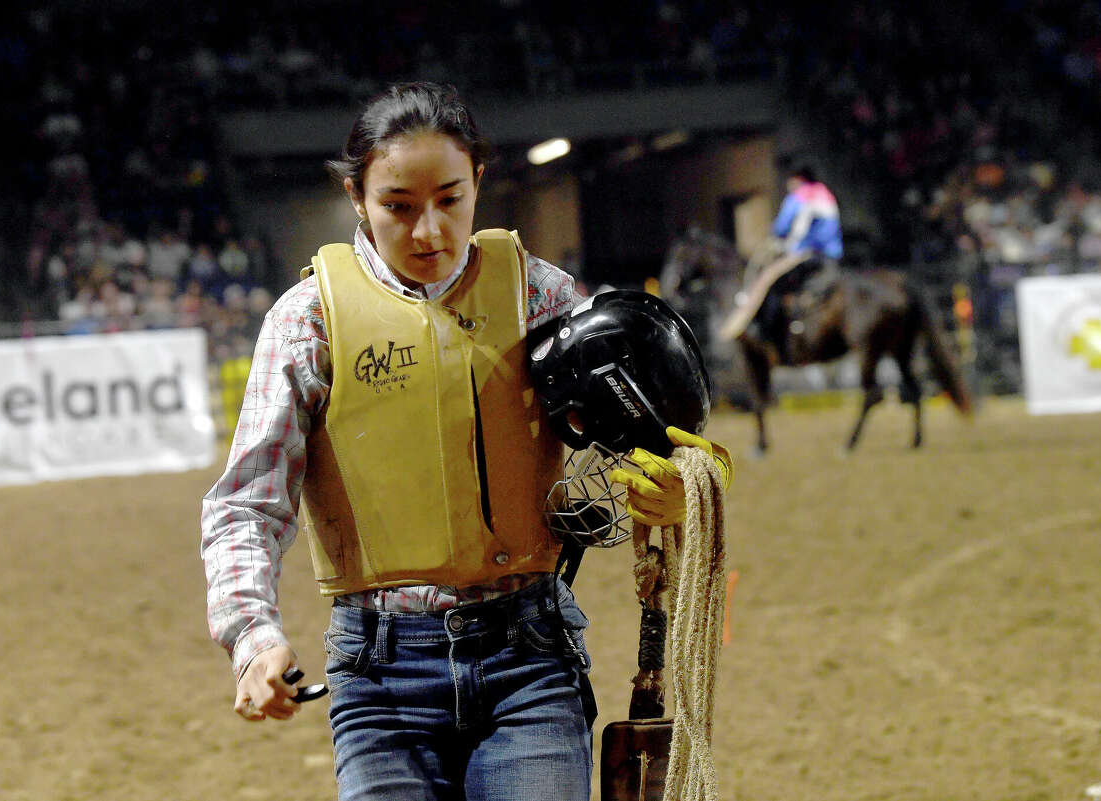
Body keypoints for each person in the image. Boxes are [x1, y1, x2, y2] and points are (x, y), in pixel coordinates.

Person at [200, 82, 730, 801]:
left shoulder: (540, 297)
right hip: (378, 679)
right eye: (398, 206)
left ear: (478, 180)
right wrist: (252, 636)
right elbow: (244, 506)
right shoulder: (307, 321)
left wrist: (674, 486)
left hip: (531, 661)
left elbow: (662, 441)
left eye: (450, 199)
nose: (429, 231)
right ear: (357, 196)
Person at [757, 165, 844, 362]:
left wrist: (776, 239)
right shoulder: (825, 193)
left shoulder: (798, 196)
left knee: (770, 287)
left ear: (798, 179)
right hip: (831, 257)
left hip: (805, 256)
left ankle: (768, 337)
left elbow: (781, 228)